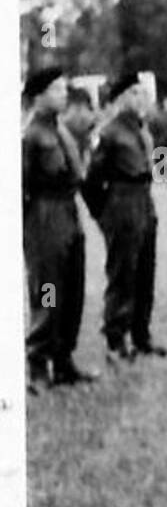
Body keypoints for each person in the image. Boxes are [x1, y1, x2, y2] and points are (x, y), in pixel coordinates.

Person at [82, 70, 167, 363]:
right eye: (135, 93)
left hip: (144, 200)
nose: (142, 98)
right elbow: (91, 180)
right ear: (120, 98)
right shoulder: (107, 132)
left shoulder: (141, 129)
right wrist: (105, 214)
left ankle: (141, 335)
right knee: (122, 273)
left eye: (142, 93)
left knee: (145, 271)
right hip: (121, 202)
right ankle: (115, 339)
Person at [22, 66, 99, 389]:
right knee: (49, 290)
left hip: (69, 212)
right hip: (44, 214)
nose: (63, 94)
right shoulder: (30, 134)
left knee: (72, 287)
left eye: (64, 88)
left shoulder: (63, 130)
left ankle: (64, 359)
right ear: (39, 95)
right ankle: (38, 363)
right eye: (56, 89)